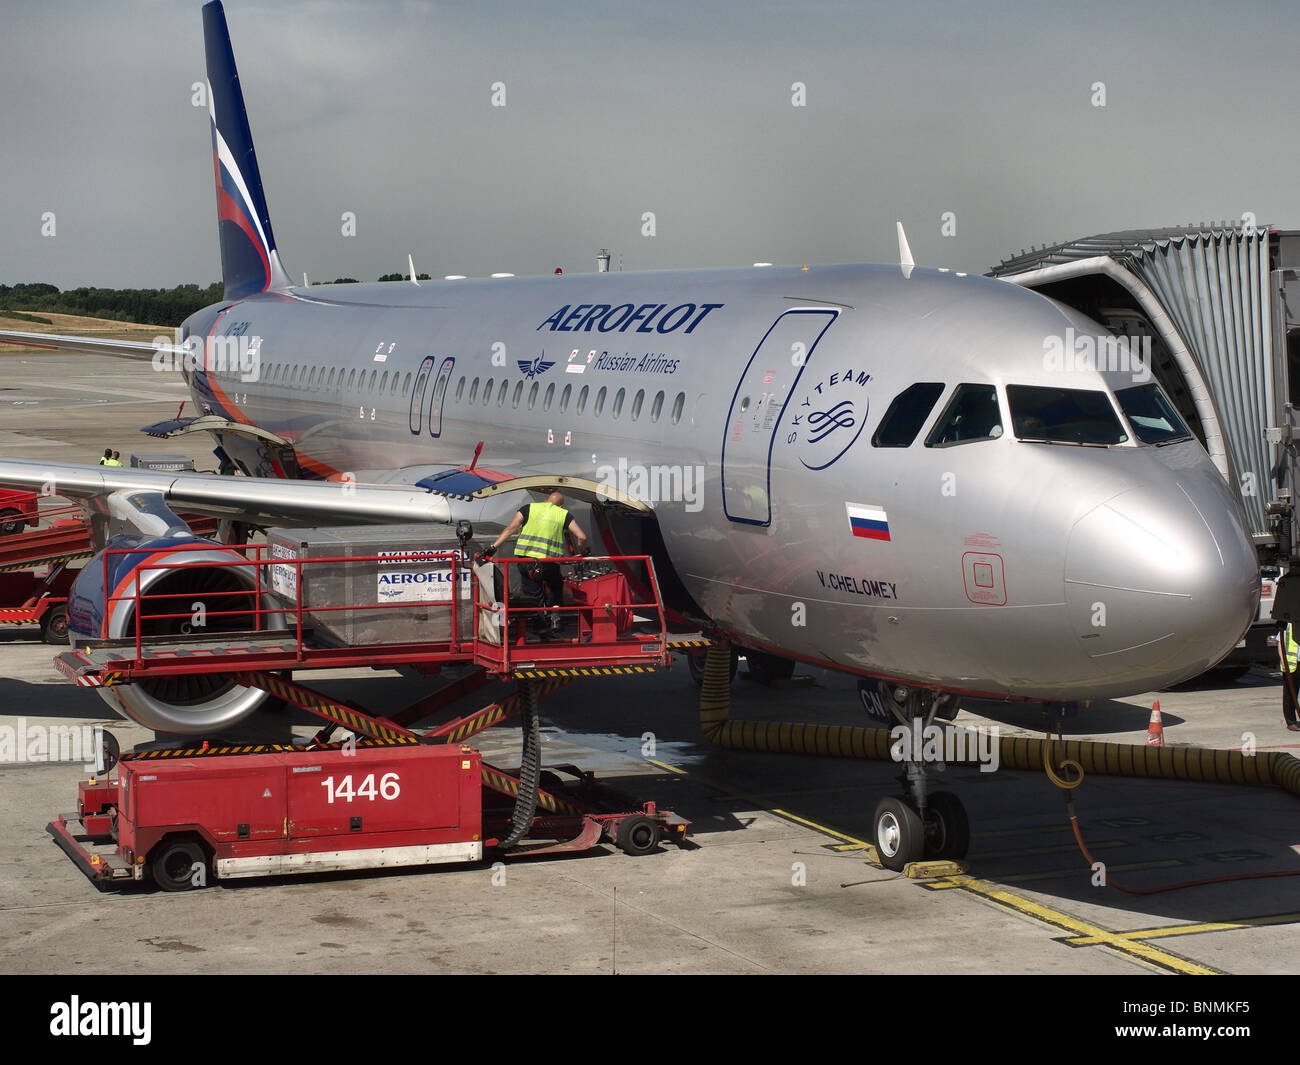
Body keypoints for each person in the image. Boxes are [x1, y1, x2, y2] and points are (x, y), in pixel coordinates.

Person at [480, 491, 589, 632]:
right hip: (550, 563)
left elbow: (511, 528)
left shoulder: (528, 508)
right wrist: (582, 553)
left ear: (545, 501)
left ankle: (540, 624)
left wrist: (492, 548)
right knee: (556, 586)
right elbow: (582, 537)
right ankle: (555, 616)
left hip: (528, 561)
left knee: (533, 594)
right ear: (560, 506)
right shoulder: (563, 514)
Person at [1280, 622, 1300, 731]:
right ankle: (1291, 721)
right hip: (1291, 663)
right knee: (1290, 693)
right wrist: (1283, 662)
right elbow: (1280, 642)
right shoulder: (1288, 624)